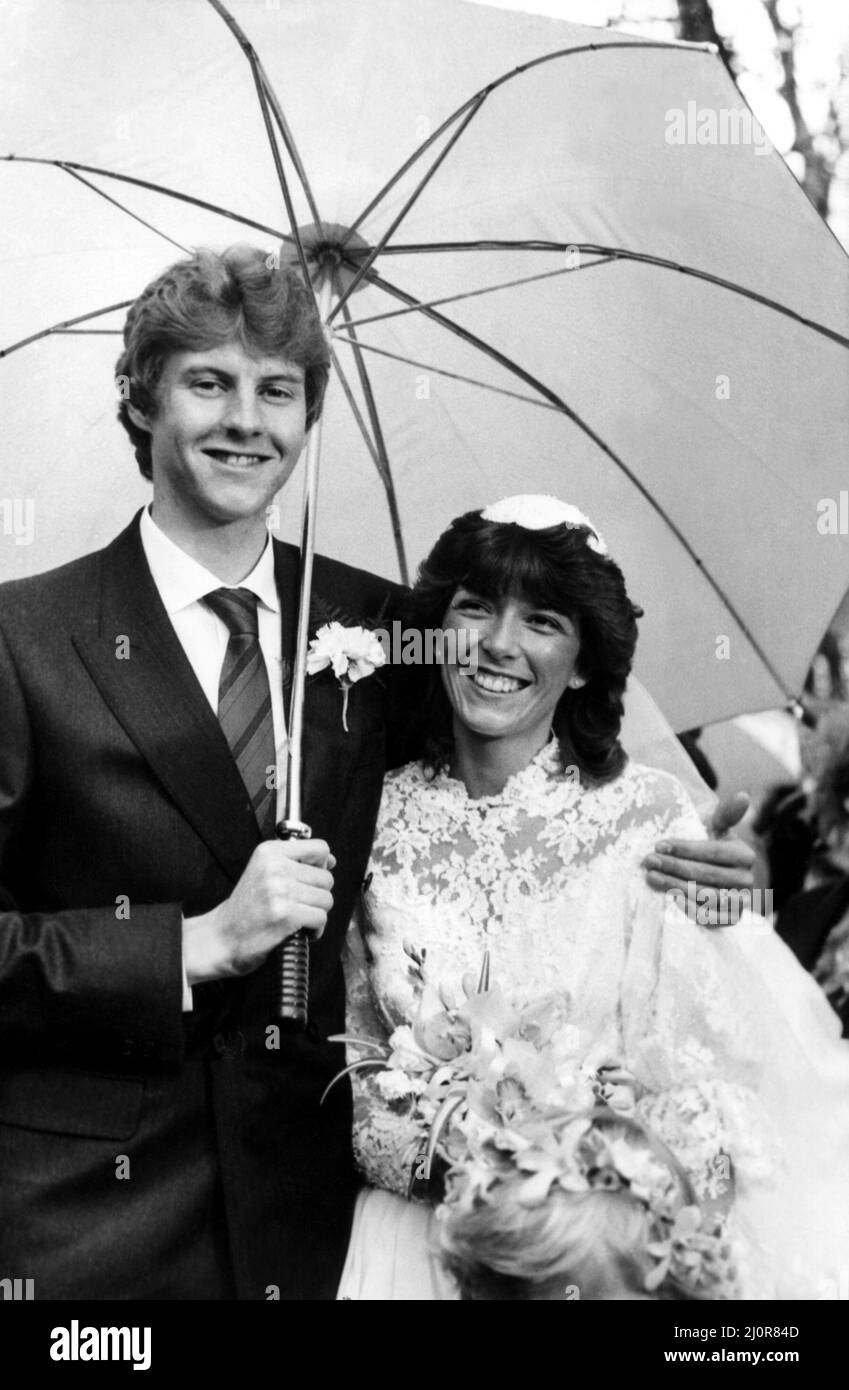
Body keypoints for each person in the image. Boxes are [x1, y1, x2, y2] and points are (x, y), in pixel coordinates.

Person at [0, 248, 754, 1302]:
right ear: (141, 397)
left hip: (319, 1232)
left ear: (310, 418)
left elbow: (527, 775)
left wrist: (704, 868)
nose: (245, 421)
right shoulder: (23, 637)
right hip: (91, 1225)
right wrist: (188, 943)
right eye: (208, 382)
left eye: (279, 391)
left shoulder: (384, 627)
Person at [338, 496, 849, 1300]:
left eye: (541, 621)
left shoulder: (646, 819)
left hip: (587, 1254)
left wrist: (579, 1171)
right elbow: (359, 1088)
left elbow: (706, 1088)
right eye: (474, 609)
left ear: (582, 662)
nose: (498, 645)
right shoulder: (367, 813)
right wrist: (457, 1152)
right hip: (409, 1251)